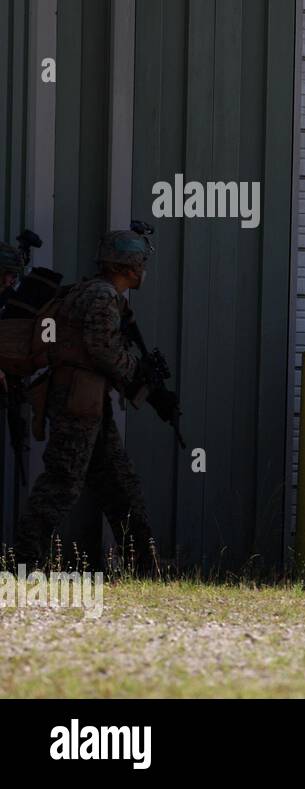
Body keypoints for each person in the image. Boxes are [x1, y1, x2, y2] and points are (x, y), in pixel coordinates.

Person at [13, 229, 173, 573]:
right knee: (62, 482)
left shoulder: (93, 291)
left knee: (119, 484)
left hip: (88, 401)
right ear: (128, 267)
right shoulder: (102, 296)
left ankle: (144, 566)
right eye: (140, 263)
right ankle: (24, 563)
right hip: (77, 401)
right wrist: (138, 372)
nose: (143, 270)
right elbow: (102, 349)